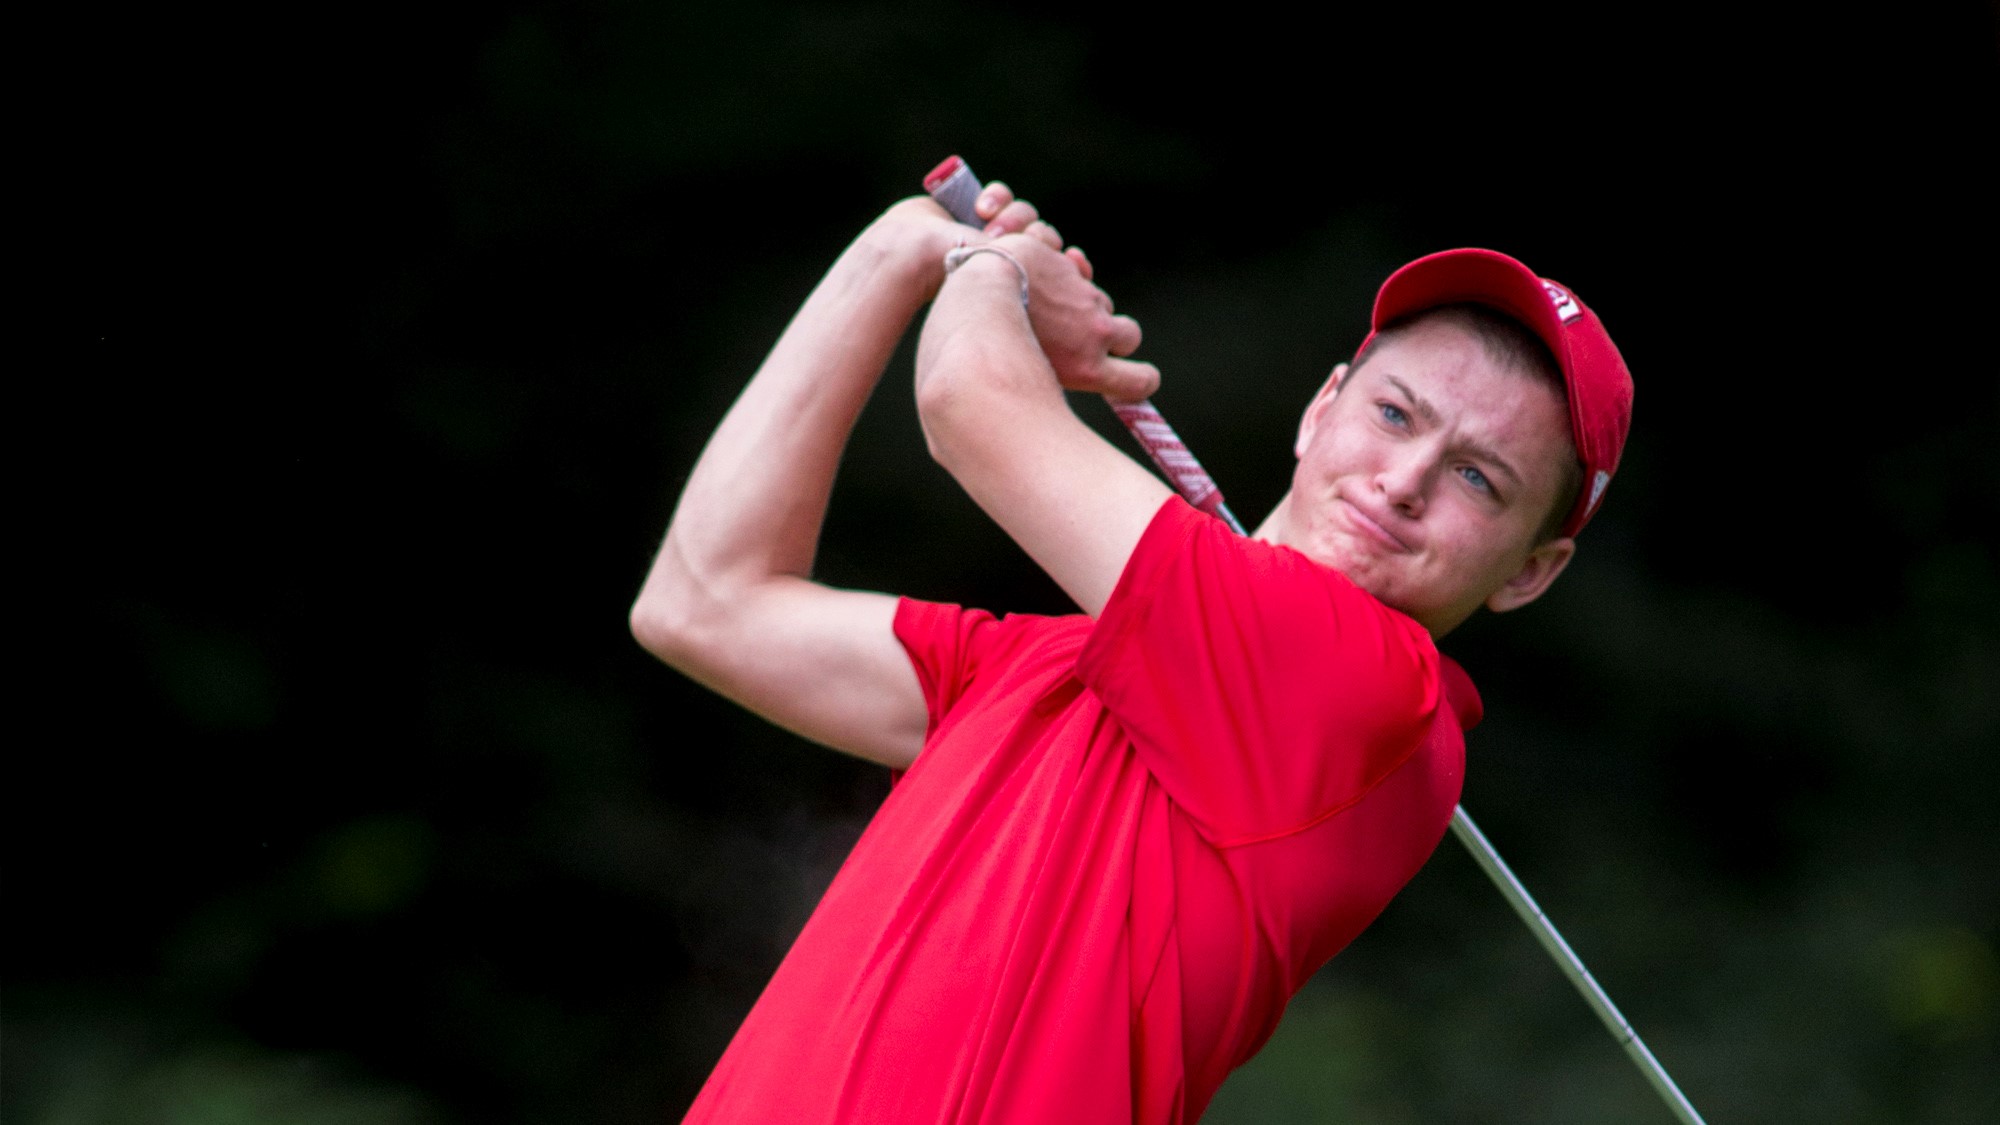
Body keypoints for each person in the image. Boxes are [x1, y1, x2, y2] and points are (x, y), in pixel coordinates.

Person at [630, 180, 1633, 1123]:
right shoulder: (1052, 668)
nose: (1401, 480)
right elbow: (704, 601)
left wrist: (996, 269)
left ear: (1528, 572)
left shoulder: (1367, 692)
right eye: (1390, 414)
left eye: (1474, 477)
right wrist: (901, 248)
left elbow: (971, 406)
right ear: (1318, 409)